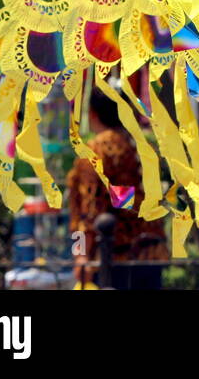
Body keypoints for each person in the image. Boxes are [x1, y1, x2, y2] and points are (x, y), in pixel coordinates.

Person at [67, 84, 168, 289]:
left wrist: (81, 255)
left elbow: (88, 212)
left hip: (112, 257)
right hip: (151, 252)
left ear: (92, 113)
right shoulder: (141, 148)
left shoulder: (94, 152)